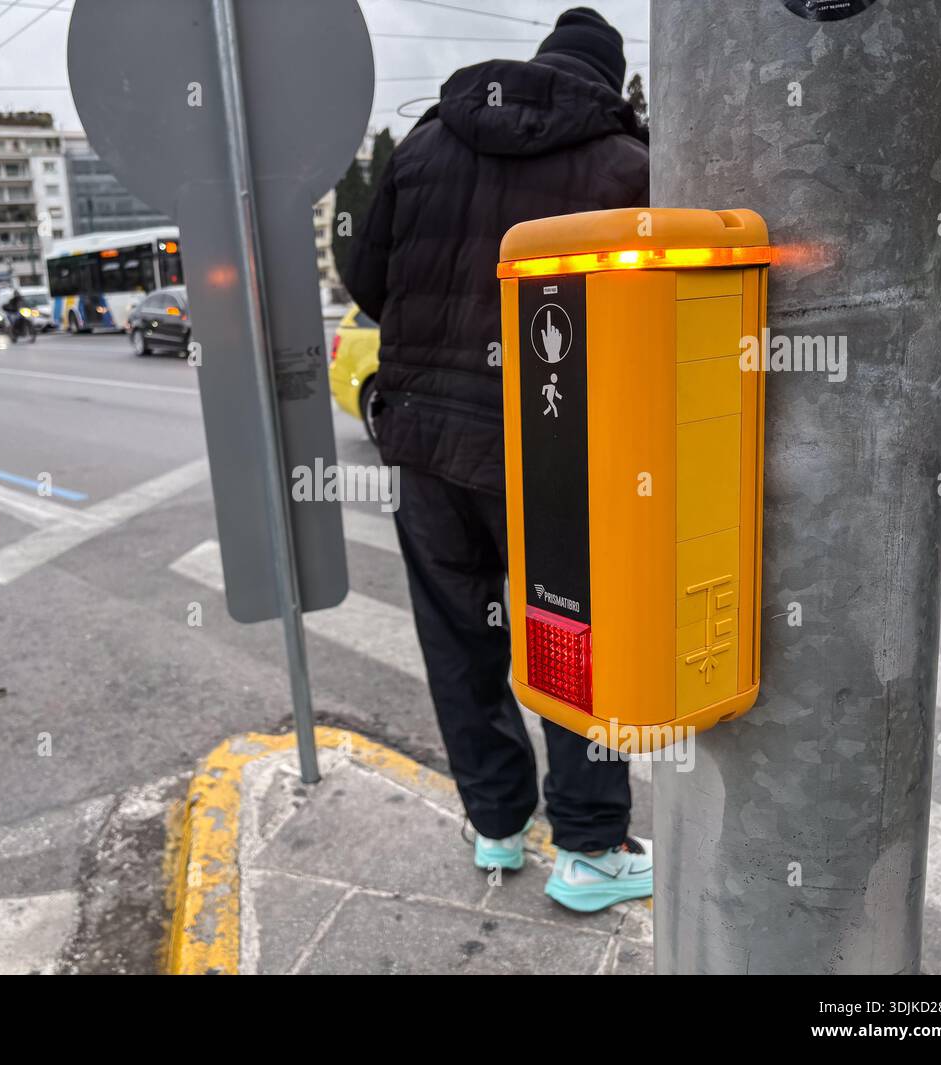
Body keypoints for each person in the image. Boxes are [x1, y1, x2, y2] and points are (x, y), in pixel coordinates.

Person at [344, 7, 652, 912]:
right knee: (573, 642)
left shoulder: (428, 145)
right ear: (608, 81)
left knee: (459, 639)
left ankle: (497, 824)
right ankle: (592, 848)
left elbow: (369, 279)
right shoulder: (627, 166)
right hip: (557, 449)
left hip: (428, 445)